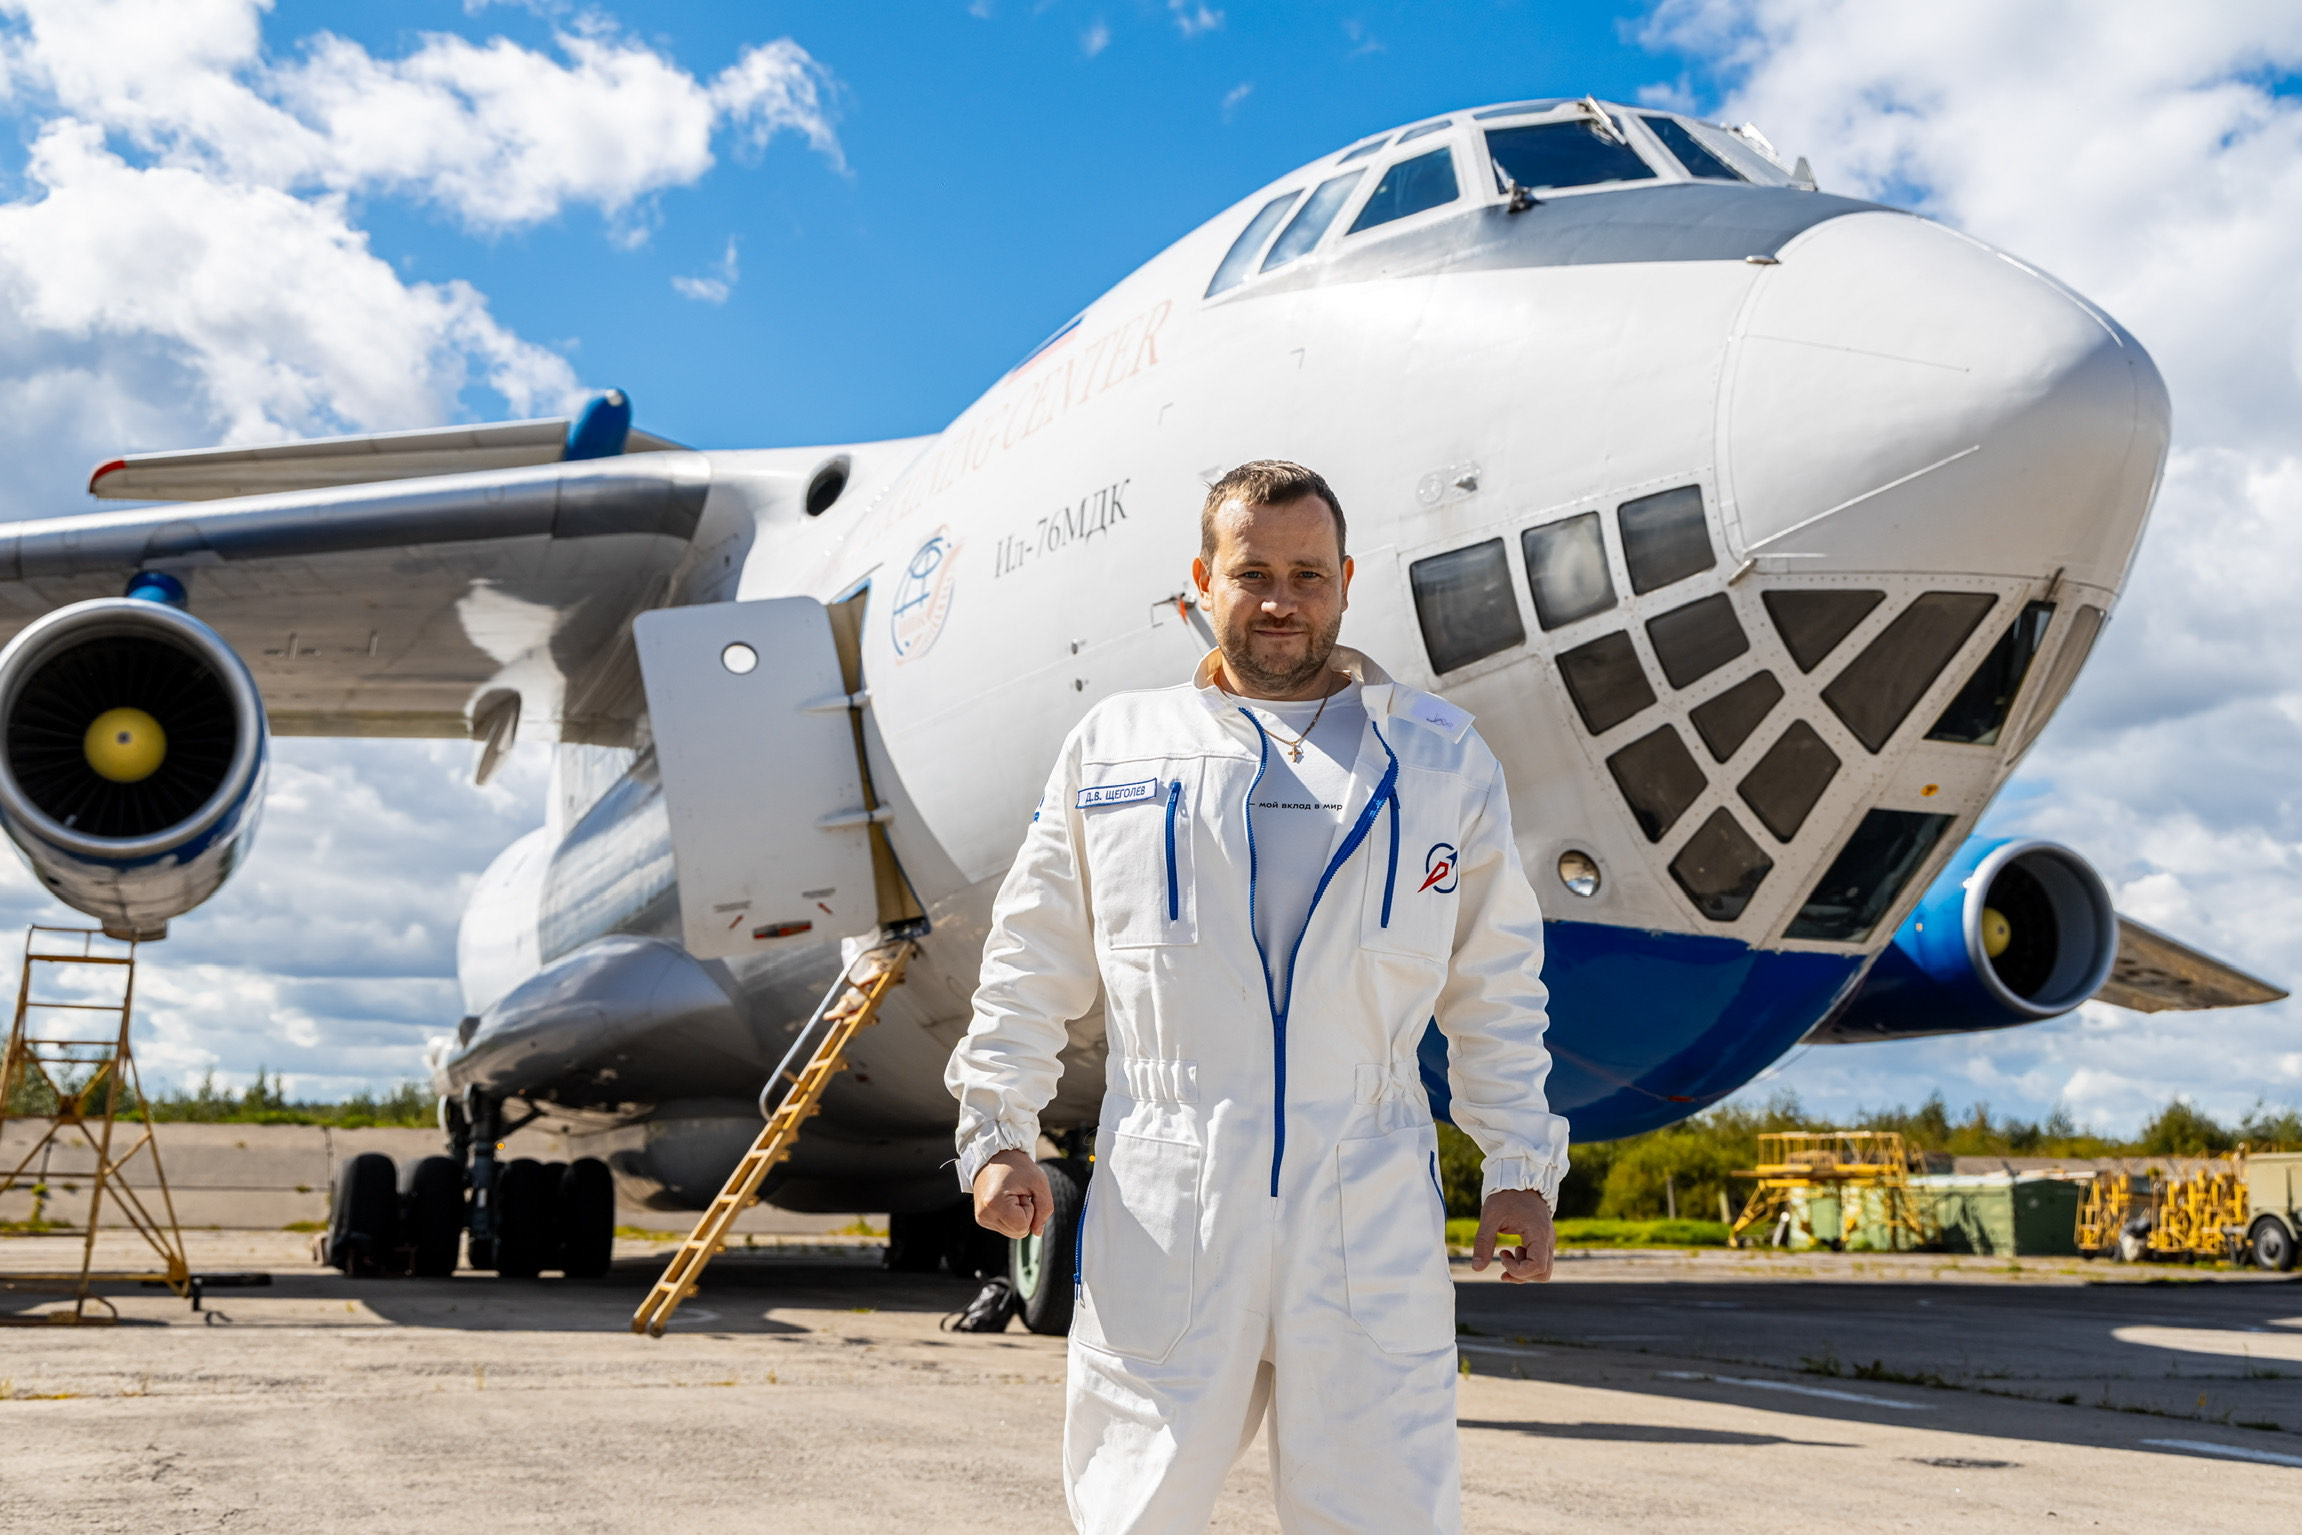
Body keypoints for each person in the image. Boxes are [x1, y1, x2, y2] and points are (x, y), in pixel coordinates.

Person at [946, 460, 1567, 1534]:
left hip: (1368, 1190)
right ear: (1202, 578)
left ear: (1344, 581)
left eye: (1308, 573)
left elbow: (1496, 979)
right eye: (1253, 572)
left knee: (1385, 1510)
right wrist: (995, 1129)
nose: (1281, 599)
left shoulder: (1436, 756)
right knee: (1136, 1507)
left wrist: (1516, 1165)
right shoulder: (1116, 750)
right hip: (1170, 1193)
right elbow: (1029, 956)